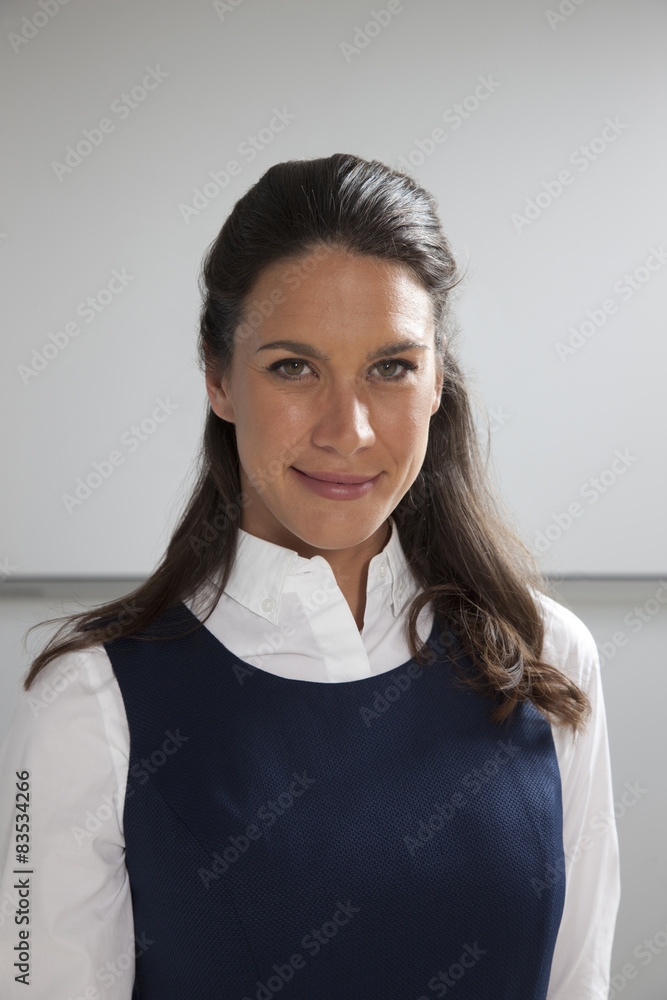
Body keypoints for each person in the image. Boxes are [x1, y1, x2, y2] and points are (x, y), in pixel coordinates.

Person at [0, 152, 620, 999]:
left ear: (438, 380)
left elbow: (576, 982)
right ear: (219, 379)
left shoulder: (546, 660)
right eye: (293, 367)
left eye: (390, 367)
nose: (348, 429)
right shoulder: (89, 700)